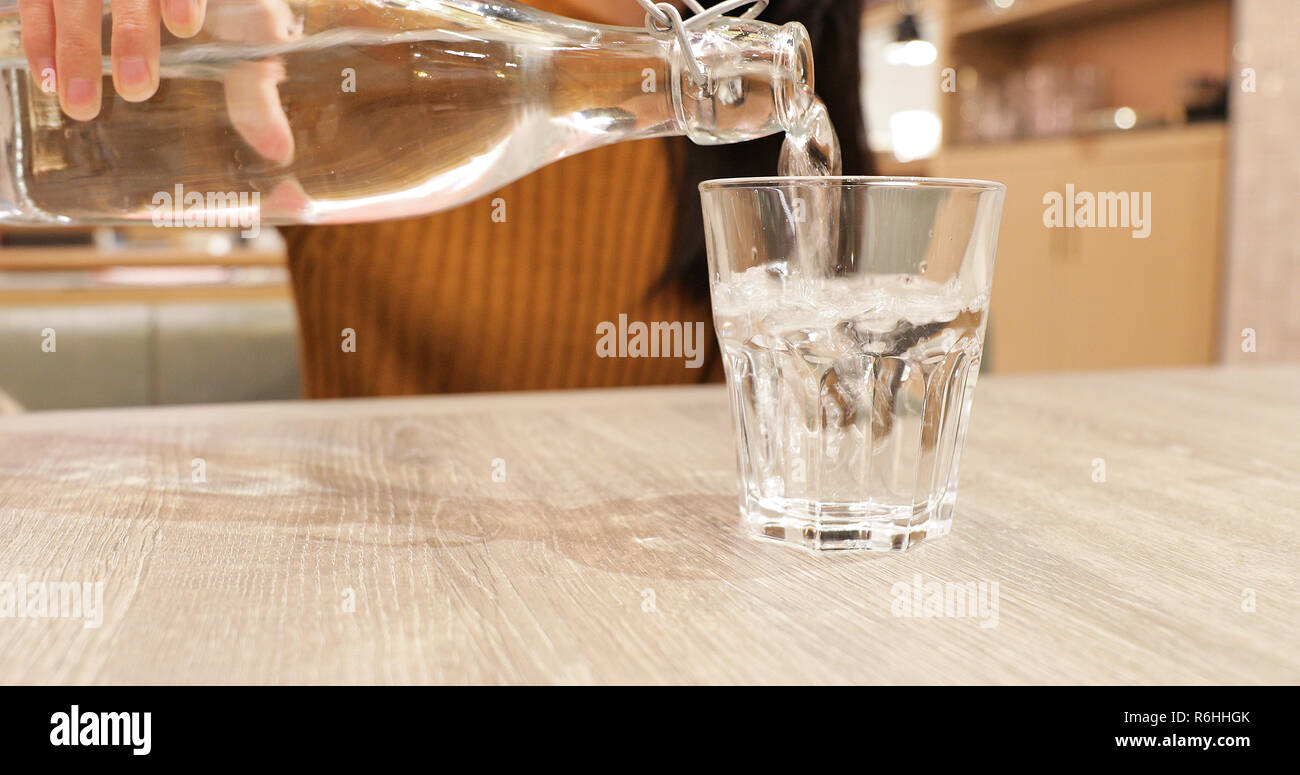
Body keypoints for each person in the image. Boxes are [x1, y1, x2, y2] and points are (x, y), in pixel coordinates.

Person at [19, 0, 872, 396]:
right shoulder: (381, 35)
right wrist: (141, 43)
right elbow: (68, 154)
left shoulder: (773, 84)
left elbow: (837, 422)